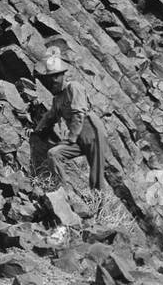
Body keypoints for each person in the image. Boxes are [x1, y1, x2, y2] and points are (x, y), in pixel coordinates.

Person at [33, 54, 107, 192]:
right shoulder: (57, 99)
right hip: (77, 137)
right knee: (54, 154)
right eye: (50, 78)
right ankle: (65, 190)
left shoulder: (74, 87)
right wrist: (37, 130)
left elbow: (79, 115)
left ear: (61, 76)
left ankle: (99, 208)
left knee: (96, 176)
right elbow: (50, 116)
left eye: (56, 77)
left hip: (91, 130)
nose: (53, 81)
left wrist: (70, 139)